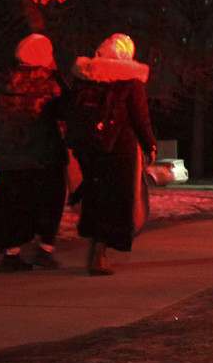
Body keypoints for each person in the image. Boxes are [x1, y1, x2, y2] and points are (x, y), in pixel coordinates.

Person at [65, 33, 155, 276]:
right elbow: (140, 117)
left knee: (95, 196)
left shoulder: (85, 76)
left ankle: (96, 245)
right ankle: (100, 253)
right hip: (120, 148)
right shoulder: (131, 79)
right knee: (115, 200)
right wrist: (150, 145)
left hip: (89, 147)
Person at [0, 34, 67, 271]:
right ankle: (45, 248)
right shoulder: (51, 82)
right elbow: (67, 111)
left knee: (12, 204)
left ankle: (11, 253)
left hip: (8, 154)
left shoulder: (1, 81)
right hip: (44, 155)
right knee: (50, 201)